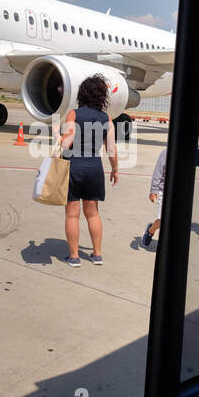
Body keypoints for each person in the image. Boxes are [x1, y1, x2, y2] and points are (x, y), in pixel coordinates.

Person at [58, 74, 119, 267]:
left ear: (82, 94)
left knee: (72, 214)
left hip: (74, 166)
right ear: (102, 96)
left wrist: (58, 140)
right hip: (94, 167)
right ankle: (97, 254)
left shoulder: (73, 114)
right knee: (93, 214)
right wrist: (115, 169)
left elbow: (67, 142)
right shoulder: (106, 118)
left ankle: (74, 256)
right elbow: (111, 148)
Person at [142, 147, 167, 249]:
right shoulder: (166, 152)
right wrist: (153, 190)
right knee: (162, 219)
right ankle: (150, 231)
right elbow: (158, 172)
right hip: (163, 190)